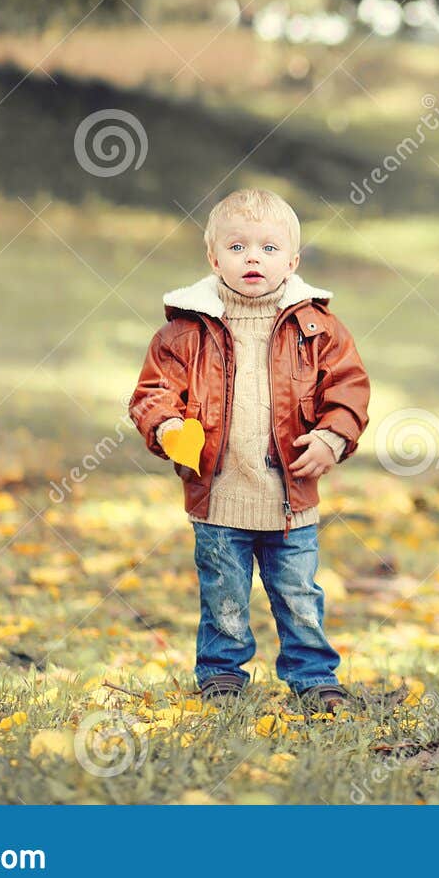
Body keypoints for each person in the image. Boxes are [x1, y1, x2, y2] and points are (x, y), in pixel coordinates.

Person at [128, 188, 370, 714]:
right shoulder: (184, 331)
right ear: (214, 259)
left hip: (290, 501)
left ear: (292, 261)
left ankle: (313, 676)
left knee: (299, 594)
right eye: (237, 247)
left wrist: (332, 437)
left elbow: (349, 389)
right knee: (225, 595)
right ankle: (221, 673)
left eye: (268, 248)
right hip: (219, 499)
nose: (252, 258)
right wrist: (168, 426)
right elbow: (153, 392)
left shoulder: (317, 329)